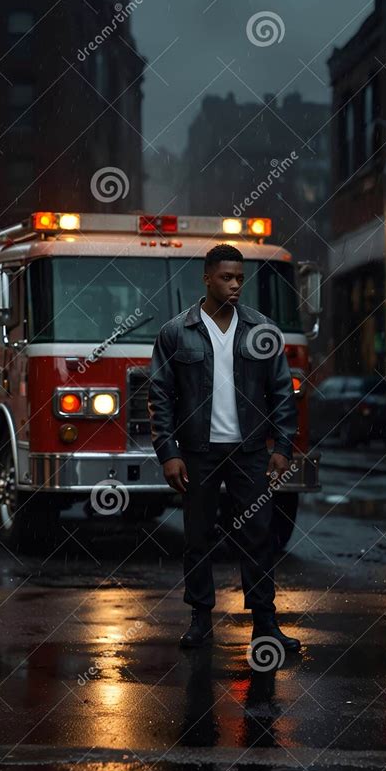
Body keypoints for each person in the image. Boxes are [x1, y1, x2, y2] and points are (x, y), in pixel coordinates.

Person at [147, 244, 300, 652]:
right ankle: (200, 621)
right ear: (207, 277)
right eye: (226, 277)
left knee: (258, 535)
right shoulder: (176, 332)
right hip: (198, 452)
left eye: (239, 278)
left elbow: (283, 392)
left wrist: (283, 446)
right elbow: (159, 395)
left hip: (249, 451)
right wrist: (169, 452)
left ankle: (265, 625)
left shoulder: (261, 330)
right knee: (197, 536)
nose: (234, 285)